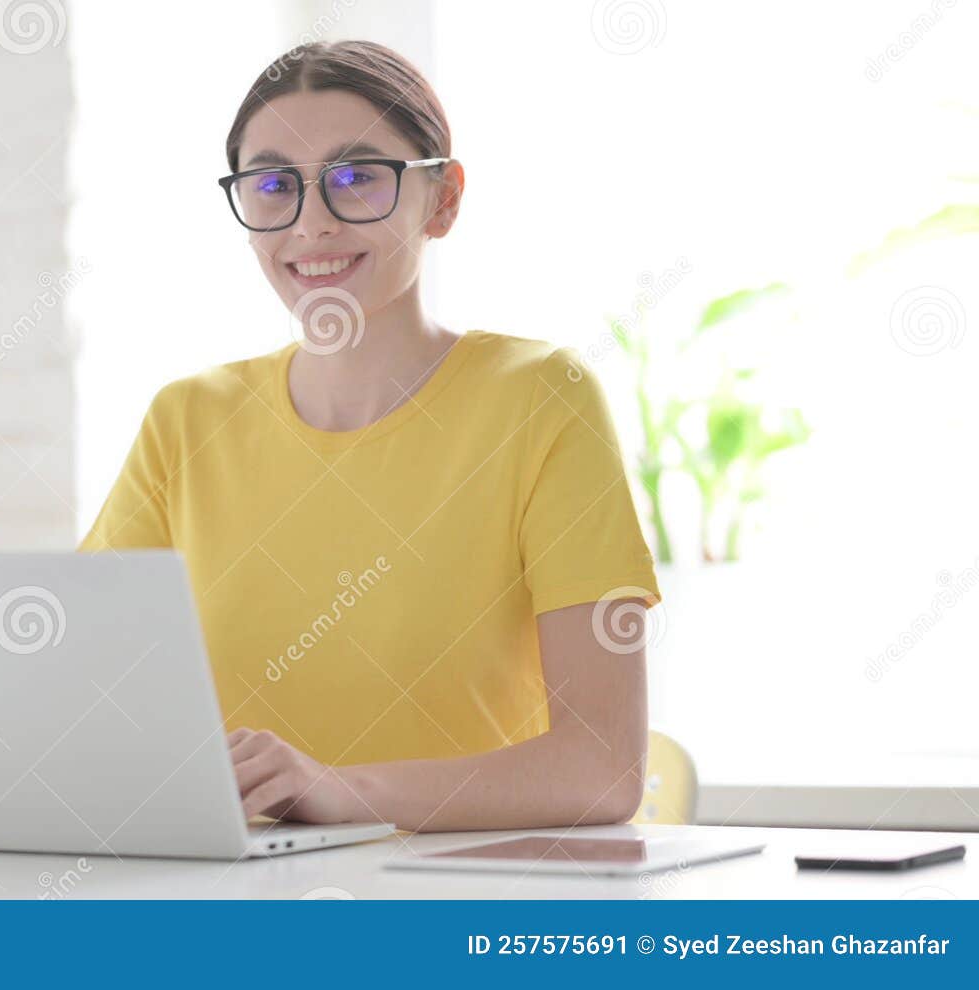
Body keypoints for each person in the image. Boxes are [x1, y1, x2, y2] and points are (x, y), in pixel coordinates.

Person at [80, 40, 661, 832]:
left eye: (357, 178)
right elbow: (78, 704)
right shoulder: (186, 420)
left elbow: (601, 772)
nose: (312, 223)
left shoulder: (539, 401)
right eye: (275, 185)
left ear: (443, 199)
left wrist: (338, 791)